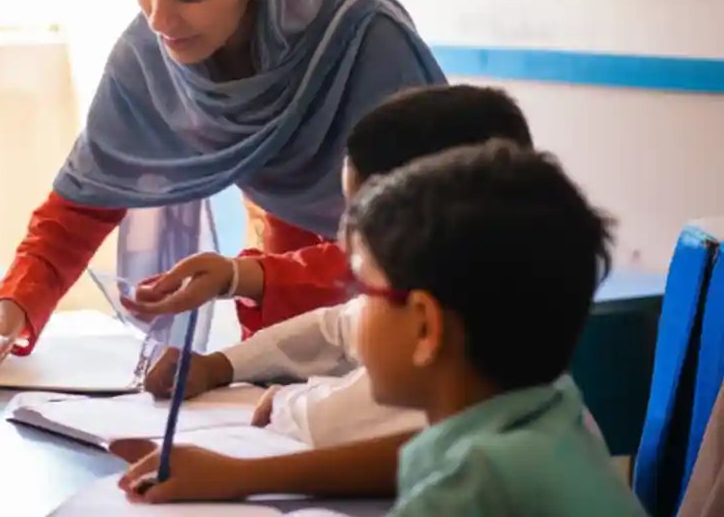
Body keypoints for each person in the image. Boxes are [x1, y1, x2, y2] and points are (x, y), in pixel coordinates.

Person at [0, 0, 445, 373]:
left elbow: (423, 242)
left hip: (398, 340)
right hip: (277, 335)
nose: (159, 19)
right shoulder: (151, 54)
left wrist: (243, 277)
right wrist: (7, 318)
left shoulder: (365, 45)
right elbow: (80, 206)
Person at [116, 142, 648, 516]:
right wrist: (239, 477)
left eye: (364, 290)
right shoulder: (547, 412)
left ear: (425, 326)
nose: (352, 309)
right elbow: (409, 453)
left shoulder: (470, 487)